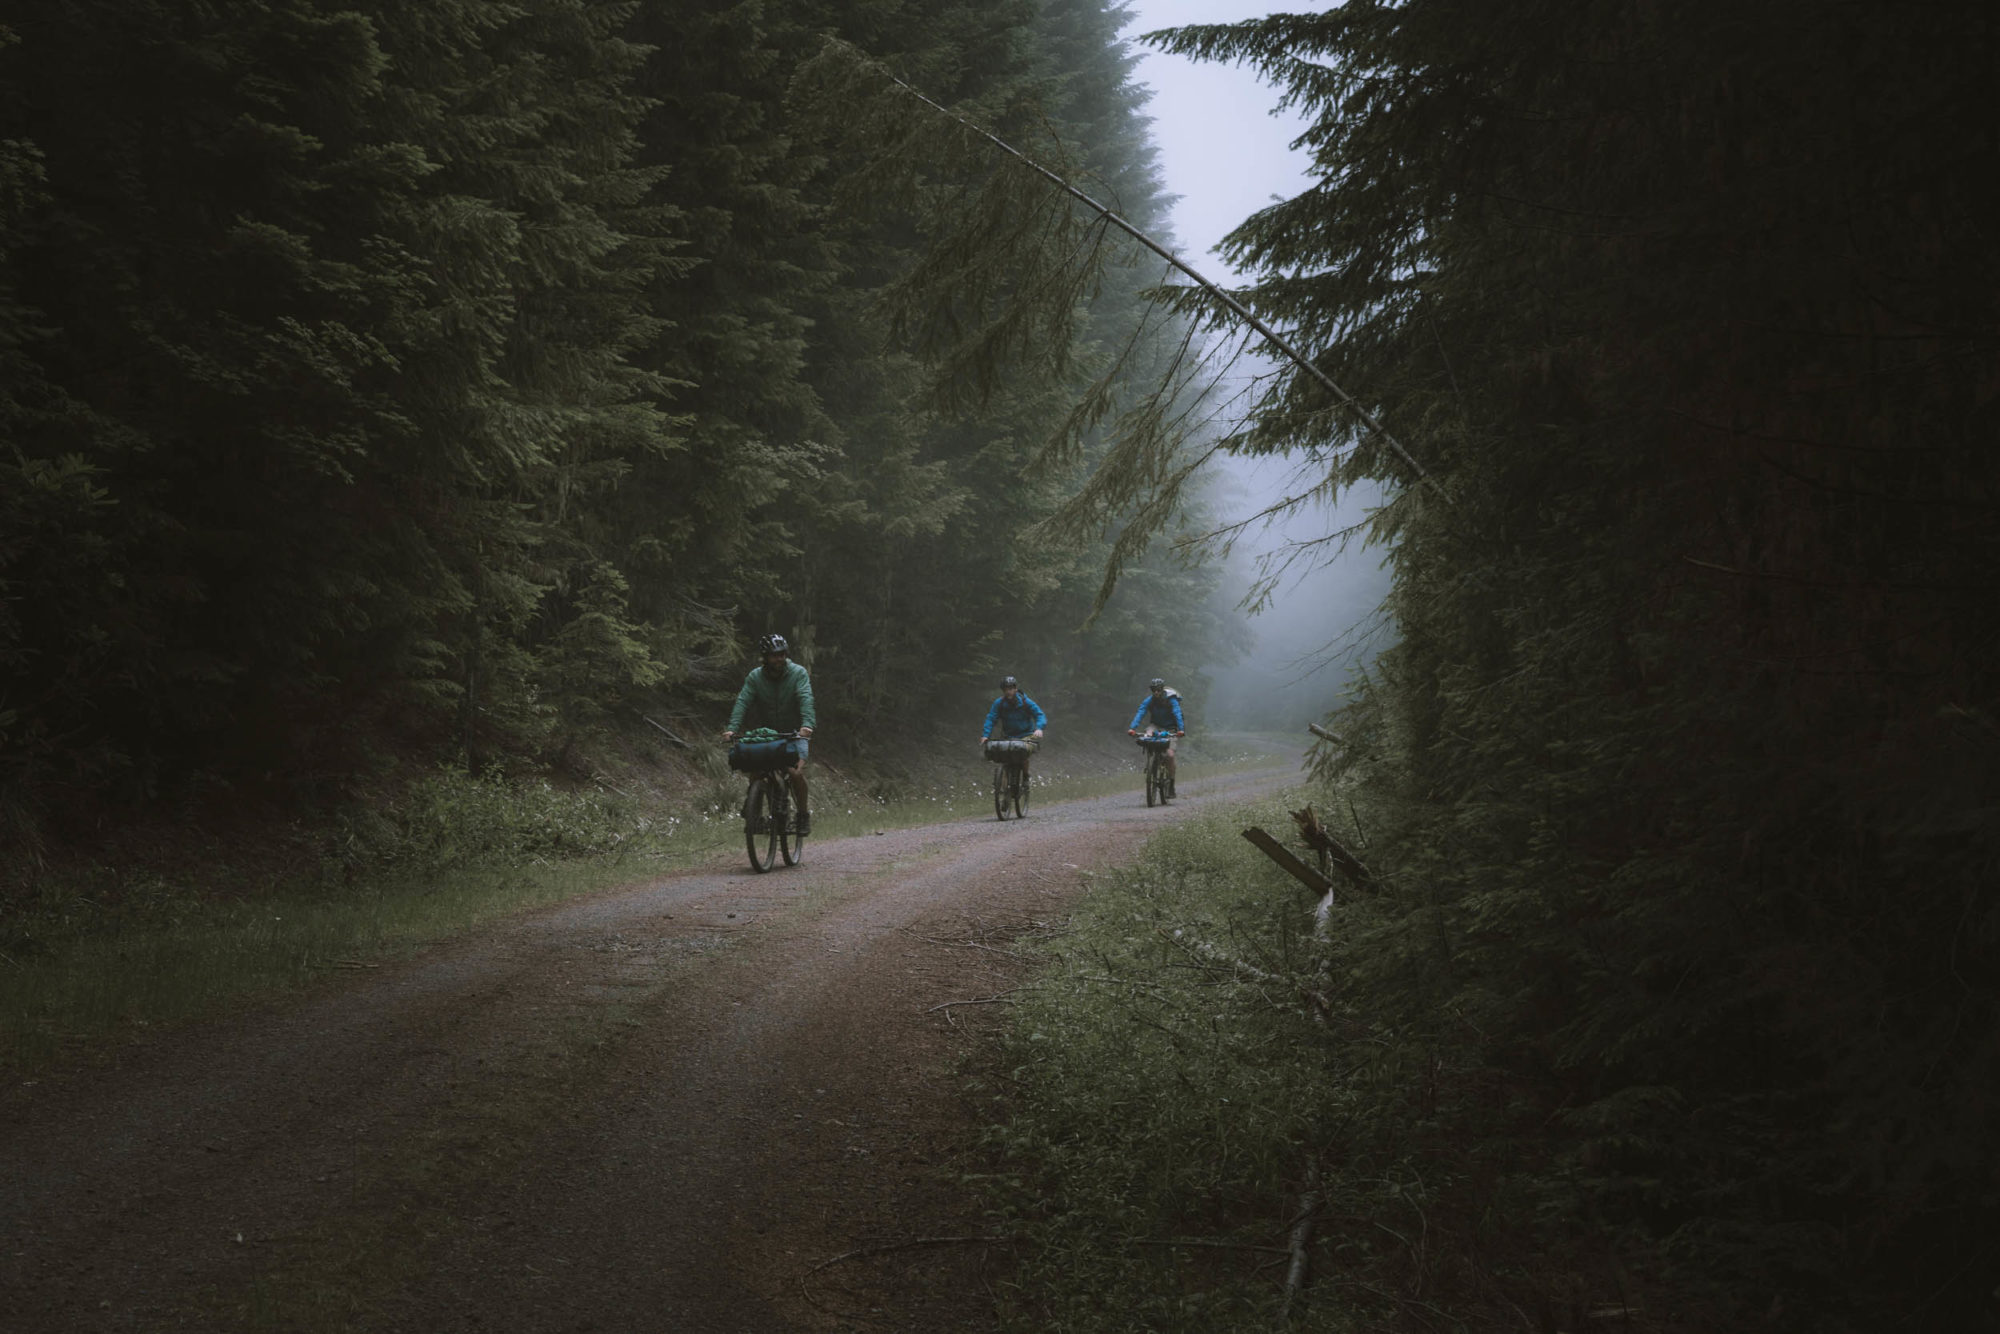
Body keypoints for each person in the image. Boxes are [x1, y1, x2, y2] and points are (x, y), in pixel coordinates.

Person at [722, 633, 816, 835]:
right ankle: (753, 812)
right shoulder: (755, 677)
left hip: (795, 733)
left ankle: (802, 816)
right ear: (765, 657)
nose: (779, 659)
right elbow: (743, 701)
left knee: (795, 772)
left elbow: (805, 698)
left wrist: (807, 725)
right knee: (756, 771)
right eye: (774, 655)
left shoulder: (798, 673)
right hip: (769, 734)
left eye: (782, 654)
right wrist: (732, 728)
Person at [980, 675, 1047, 779]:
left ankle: (1025, 777)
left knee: (1023, 756)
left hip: (1026, 736)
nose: (1008, 692)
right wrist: (985, 735)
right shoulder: (999, 703)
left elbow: (1039, 715)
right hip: (1008, 736)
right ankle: (1004, 783)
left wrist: (1039, 728)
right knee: (1004, 756)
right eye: (1005, 689)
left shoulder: (1026, 702)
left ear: (1015, 689)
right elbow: (991, 718)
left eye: (1010, 689)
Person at [1127, 677, 1185, 789]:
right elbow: (1141, 712)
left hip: (1171, 728)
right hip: (1156, 725)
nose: (1156, 692)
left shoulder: (1171, 700)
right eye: (1154, 689)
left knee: (1170, 755)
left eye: (1158, 689)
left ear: (1162, 689)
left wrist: (1181, 730)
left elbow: (1177, 713)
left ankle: (1171, 783)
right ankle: (1152, 760)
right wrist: (1132, 728)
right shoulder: (1150, 700)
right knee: (1148, 733)